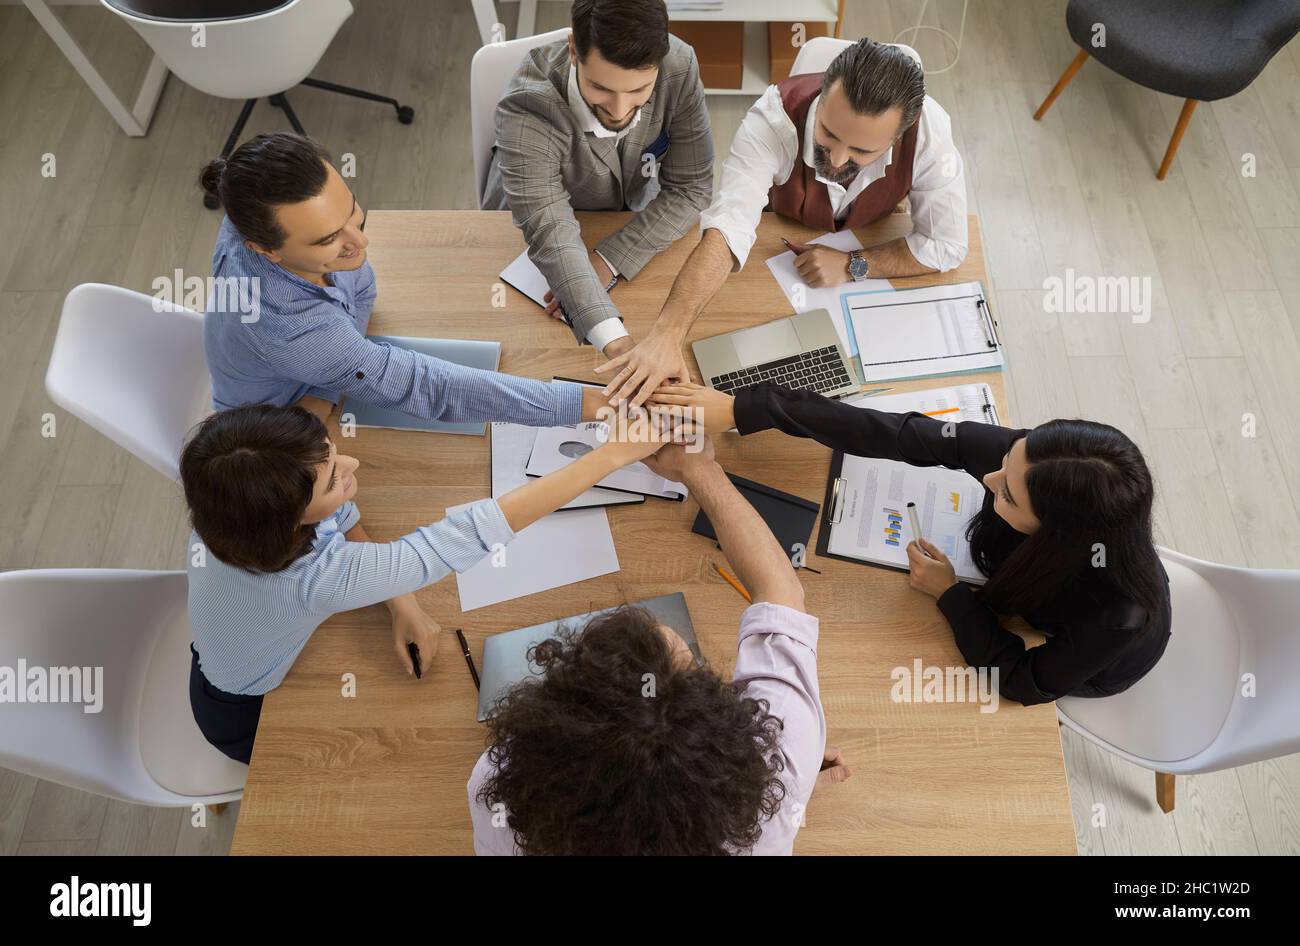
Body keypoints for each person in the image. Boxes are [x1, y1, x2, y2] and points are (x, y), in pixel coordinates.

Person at [181, 402, 674, 764]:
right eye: (332, 478)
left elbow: (340, 519)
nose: (352, 467)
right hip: (245, 715)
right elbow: (457, 540)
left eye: (333, 454)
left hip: (230, 649)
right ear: (286, 522)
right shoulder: (311, 581)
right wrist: (611, 456)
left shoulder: (226, 508)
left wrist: (402, 603)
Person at [649, 382, 1172, 706]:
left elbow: (1021, 681)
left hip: (1097, 666)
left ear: (1057, 537)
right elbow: (896, 433)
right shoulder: (1035, 463)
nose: (989, 480)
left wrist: (952, 595)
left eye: (1007, 493)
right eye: (1008, 458)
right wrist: (747, 408)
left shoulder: (1118, 618)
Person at [469, 434, 850, 855]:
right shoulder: (778, 769)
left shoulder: (497, 791)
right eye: (688, 663)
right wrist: (699, 469)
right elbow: (781, 590)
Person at [596, 37, 969, 407]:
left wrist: (855, 263)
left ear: (900, 134)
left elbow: (946, 246)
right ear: (822, 94)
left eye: (862, 151)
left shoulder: (929, 131)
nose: (837, 160)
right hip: (780, 238)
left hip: (870, 240)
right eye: (829, 133)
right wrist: (667, 334)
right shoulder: (773, 119)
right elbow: (729, 227)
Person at [200, 132, 611, 425]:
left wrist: (335, 375)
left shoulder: (251, 210)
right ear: (264, 249)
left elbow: (363, 288)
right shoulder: (292, 332)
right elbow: (432, 389)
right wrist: (592, 404)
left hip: (299, 377)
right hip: (273, 428)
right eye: (328, 239)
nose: (361, 241)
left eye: (352, 212)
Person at [483, 0, 713, 356]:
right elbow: (550, 231)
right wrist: (616, 342)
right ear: (574, 49)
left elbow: (691, 187)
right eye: (602, 88)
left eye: (638, 91)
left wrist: (608, 260)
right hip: (529, 220)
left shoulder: (679, 66)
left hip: (624, 211)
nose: (619, 111)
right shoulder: (527, 107)